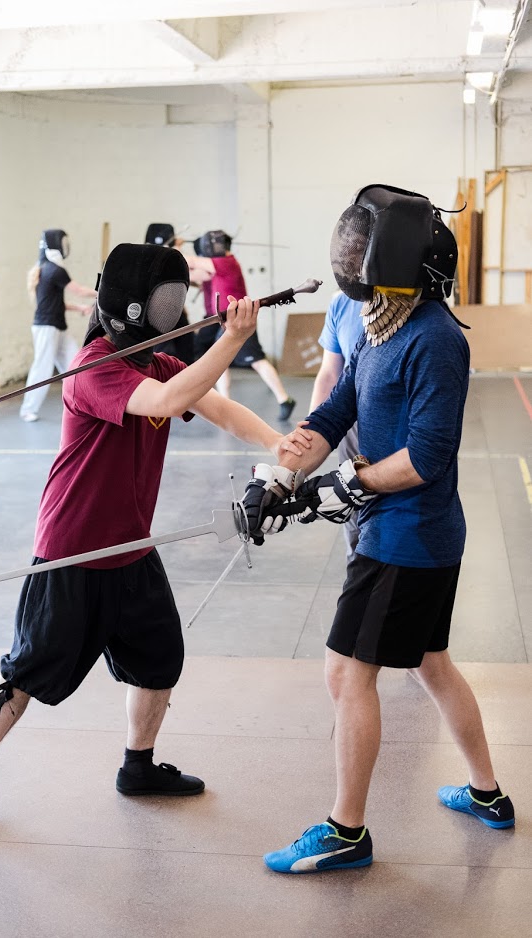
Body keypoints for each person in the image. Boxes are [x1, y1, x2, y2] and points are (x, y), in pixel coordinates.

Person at [0, 242, 311, 837]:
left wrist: (276, 442)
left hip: (132, 550)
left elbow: (213, 406)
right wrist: (231, 340)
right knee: (28, 670)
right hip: (73, 550)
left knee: (159, 657)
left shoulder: (154, 363)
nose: (179, 308)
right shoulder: (95, 368)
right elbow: (168, 402)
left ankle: (137, 768)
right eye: (169, 299)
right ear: (138, 307)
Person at [243, 184, 515, 875]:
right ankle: (487, 795)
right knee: (430, 663)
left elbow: (426, 457)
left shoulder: (436, 339)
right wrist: (283, 476)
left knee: (344, 674)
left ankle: (347, 831)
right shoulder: (378, 321)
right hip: (400, 532)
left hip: (408, 536)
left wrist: (349, 483)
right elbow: (338, 407)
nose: (352, 260)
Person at [185, 230, 296, 420]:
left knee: (257, 360)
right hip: (228, 321)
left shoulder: (225, 263)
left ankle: (284, 399)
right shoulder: (217, 267)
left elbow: (192, 262)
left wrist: (171, 249)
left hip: (240, 318)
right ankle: (224, 405)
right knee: (220, 361)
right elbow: (194, 274)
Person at [20, 229, 96, 422]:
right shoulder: (53, 270)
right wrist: (102, 292)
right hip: (47, 327)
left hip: (56, 326)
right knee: (43, 368)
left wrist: (79, 308)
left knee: (75, 364)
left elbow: (54, 303)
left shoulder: (46, 268)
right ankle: (28, 409)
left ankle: (84, 403)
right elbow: (78, 290)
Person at [309, 291, 364, 562]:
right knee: (353, 518)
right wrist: (307, 437)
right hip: (353, 431)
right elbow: (331, 373)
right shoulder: (341, 303)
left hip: (399, 432)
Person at [144, 223, 194, 365]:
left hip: (173, 309)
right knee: (162, 352)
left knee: (186, 346)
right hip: (156, 312)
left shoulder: (167, 255)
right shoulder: (149, 255)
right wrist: (177, 248)